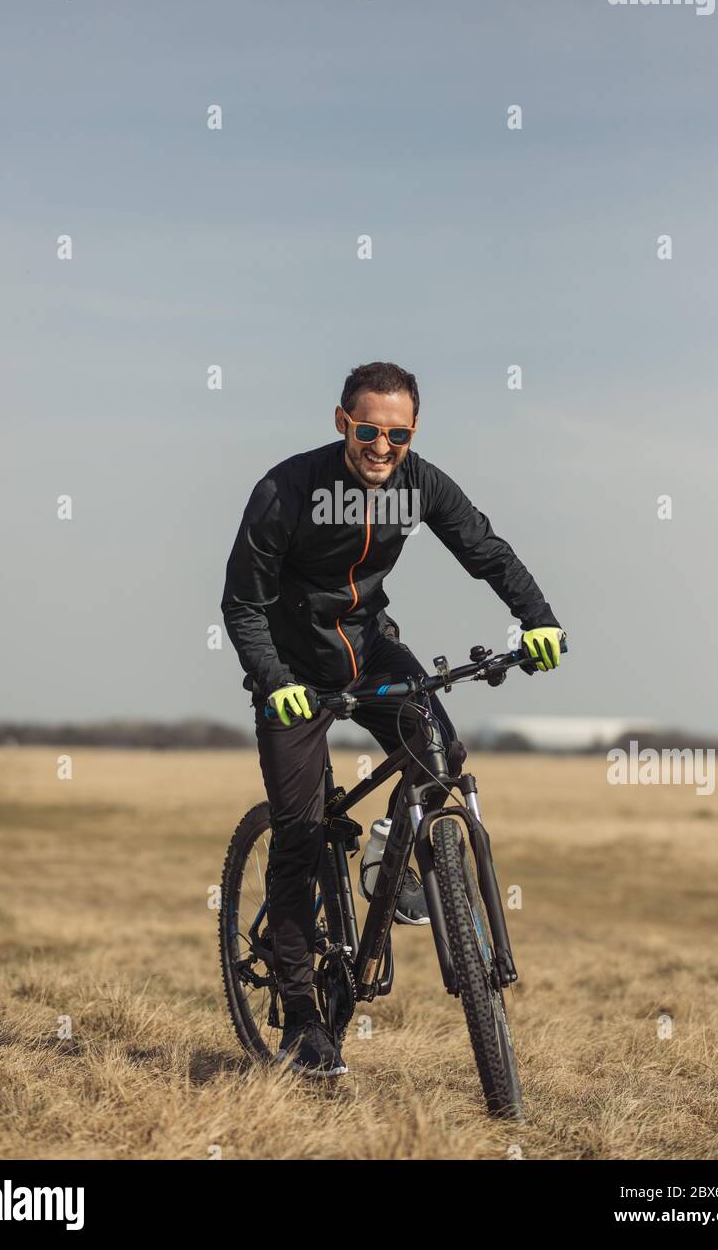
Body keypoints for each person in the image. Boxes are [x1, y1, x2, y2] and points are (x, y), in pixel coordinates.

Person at [221, 361, 564, 1076]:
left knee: (439, 752)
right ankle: (304, 1024)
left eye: (398, 433)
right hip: (292, 673)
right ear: (343, 421)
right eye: (369, 430)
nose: (383, 446)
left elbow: (484, 550)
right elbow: (243, 606)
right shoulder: (286, 489)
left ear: (413, 432)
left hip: (371, 650)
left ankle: (391, 853)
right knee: (299, 833)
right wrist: (273, 680)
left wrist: (538, 619)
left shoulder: (422, 483)